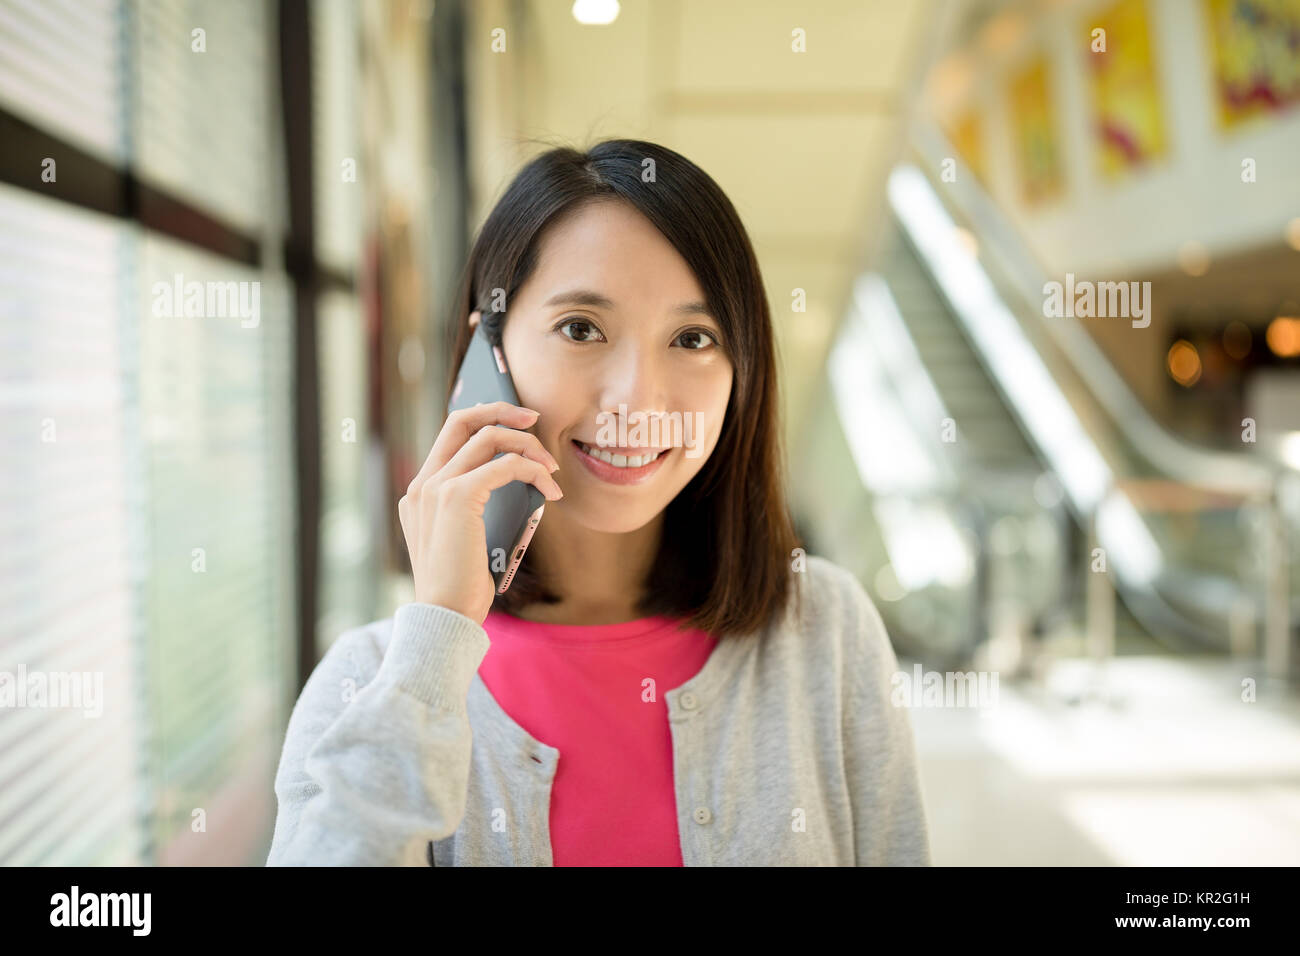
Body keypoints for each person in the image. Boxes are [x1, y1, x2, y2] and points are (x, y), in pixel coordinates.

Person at [266, 138, 930, 866]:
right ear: (485, 351)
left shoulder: (823, 634)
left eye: (692, 337)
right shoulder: (376, 680)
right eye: (581, 328)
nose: (636, 401)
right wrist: (439, 639)